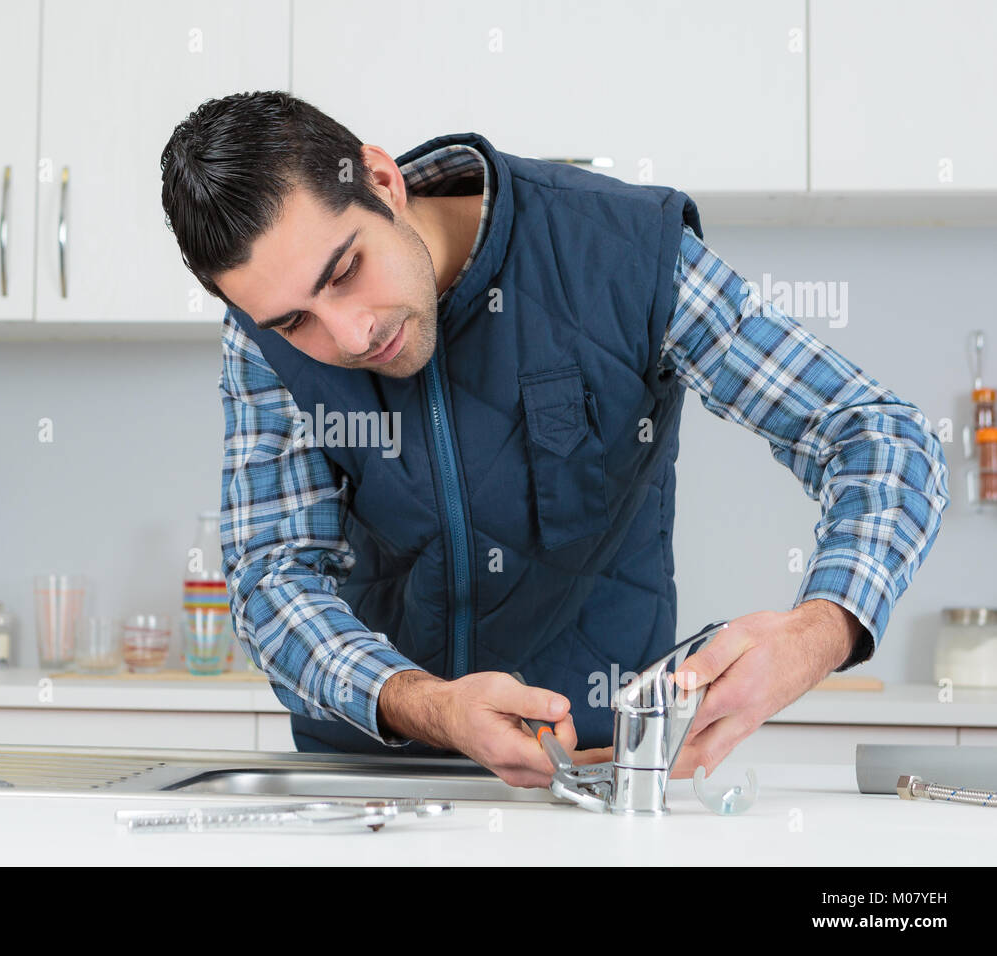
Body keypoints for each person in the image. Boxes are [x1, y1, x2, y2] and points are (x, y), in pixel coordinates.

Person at [159, 91, 949, 790]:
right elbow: (273, 578)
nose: (351, 332)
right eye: (296, 320)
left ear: (381, 180)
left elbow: (878, 435)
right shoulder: (259, 342)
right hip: (368, 780)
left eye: (345, 271)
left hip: (599, 776)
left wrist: (821, 630)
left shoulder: (626, 253)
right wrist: (428, 704)